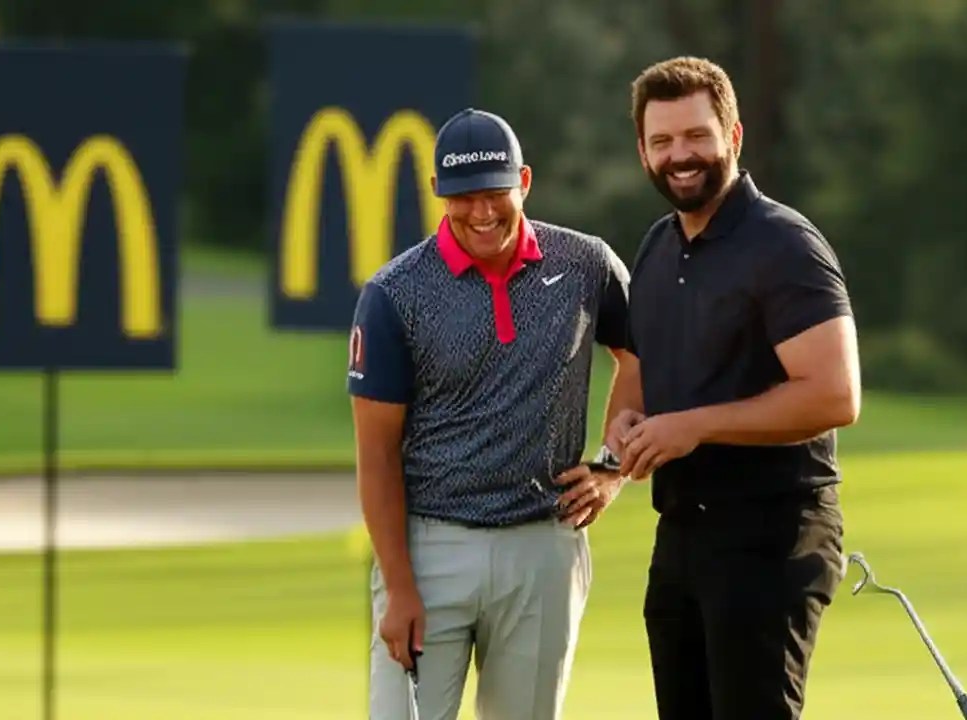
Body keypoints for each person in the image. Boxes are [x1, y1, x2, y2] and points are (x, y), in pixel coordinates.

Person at [347, 107, 638, 720]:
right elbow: (375, 455)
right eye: (464, 197)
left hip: (543, 545)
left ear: (524, 182)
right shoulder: (394, 294)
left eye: (496, 194)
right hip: (430, 549)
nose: (482, 213)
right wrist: (398, 587)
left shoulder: (586, 264)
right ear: (437, 194)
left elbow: (641, 355)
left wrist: (614, 468)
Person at [605, 57, 862, 720]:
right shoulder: (658, 247)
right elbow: (635, 365)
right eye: (662, 142)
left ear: (734, 136)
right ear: (642, 151)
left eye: (695, 137)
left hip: (772, 535)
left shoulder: (783, 245)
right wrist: (624, 426)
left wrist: (692, 426)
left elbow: (835, 395)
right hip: (683, 536)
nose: (679, 157)